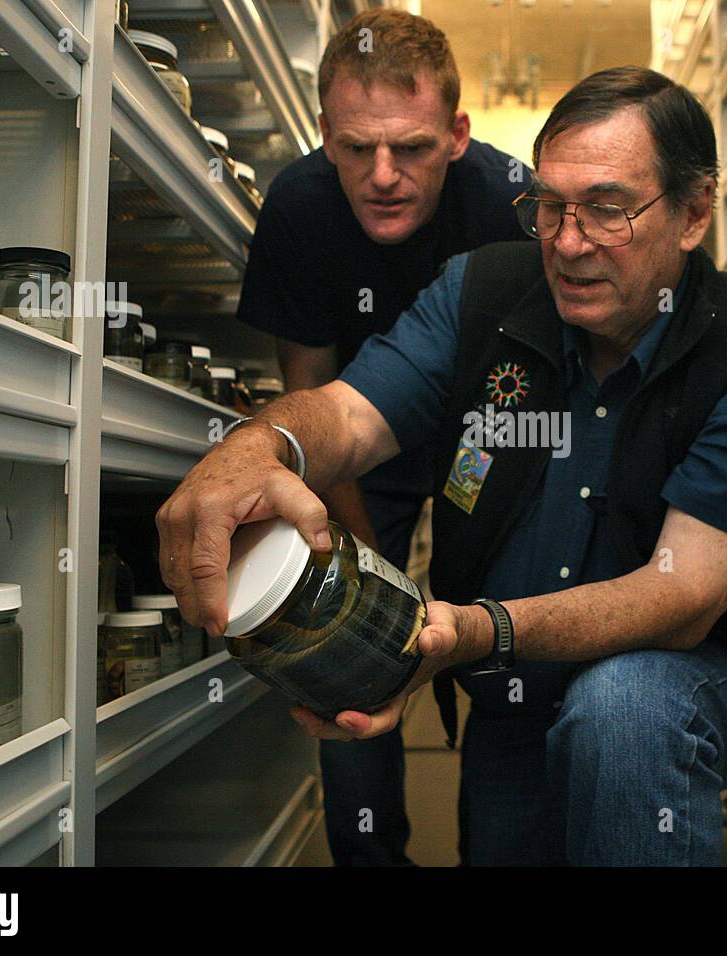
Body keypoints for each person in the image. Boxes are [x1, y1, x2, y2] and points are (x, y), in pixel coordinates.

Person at [161, 67, 727, 866]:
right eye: (549, 206)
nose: (568, 243)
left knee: (624, 716)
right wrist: (255, 447)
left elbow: (684, 599)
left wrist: (479, 630)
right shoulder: (480, 289)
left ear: (692, 213)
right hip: (512, 683)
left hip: (694, 670)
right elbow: (346, 412)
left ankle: (674, 772)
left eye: (607, 210)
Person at [234, 8, 530, 866]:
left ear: (460, 134)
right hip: (364, 446)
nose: (385, 175)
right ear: (325, 136)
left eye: (413, 147)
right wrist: (372, 576)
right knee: (355, 646)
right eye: (358, 148)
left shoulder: (513, 205)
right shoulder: (296, 209)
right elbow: (312, 406)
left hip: (492, 429)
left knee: (507, 636)